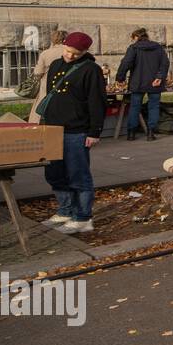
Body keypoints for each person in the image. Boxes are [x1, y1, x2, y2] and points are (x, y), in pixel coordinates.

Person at [38, 31, 105, 233]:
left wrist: (94, 132)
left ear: (84, 52)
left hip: (76, 131)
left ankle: (83, 217)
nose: (69, 56)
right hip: (52, 128)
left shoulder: (91, 70)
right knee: (54, 173)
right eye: (67, 51)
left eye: (75, 54)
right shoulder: (56, 65)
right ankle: (65, 210)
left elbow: (97, 102)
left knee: (78, 175)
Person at [116, 28, 170, 141]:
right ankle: (150, 133)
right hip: (155, 83)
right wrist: (159, 77)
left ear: (136, 37)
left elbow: (126, 63)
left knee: (135, 107)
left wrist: (120, 78)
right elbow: (165, 63)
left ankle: (131, 133)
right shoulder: (158, 47)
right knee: (154, 107)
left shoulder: (133, 48)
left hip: (137, 82)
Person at [27, 30, 66, 123]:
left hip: (47, 84)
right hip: (66, 82)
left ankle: (38, 126)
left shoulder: (46, 53)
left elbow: (38, 72)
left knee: (42, 106)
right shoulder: (69, 52)